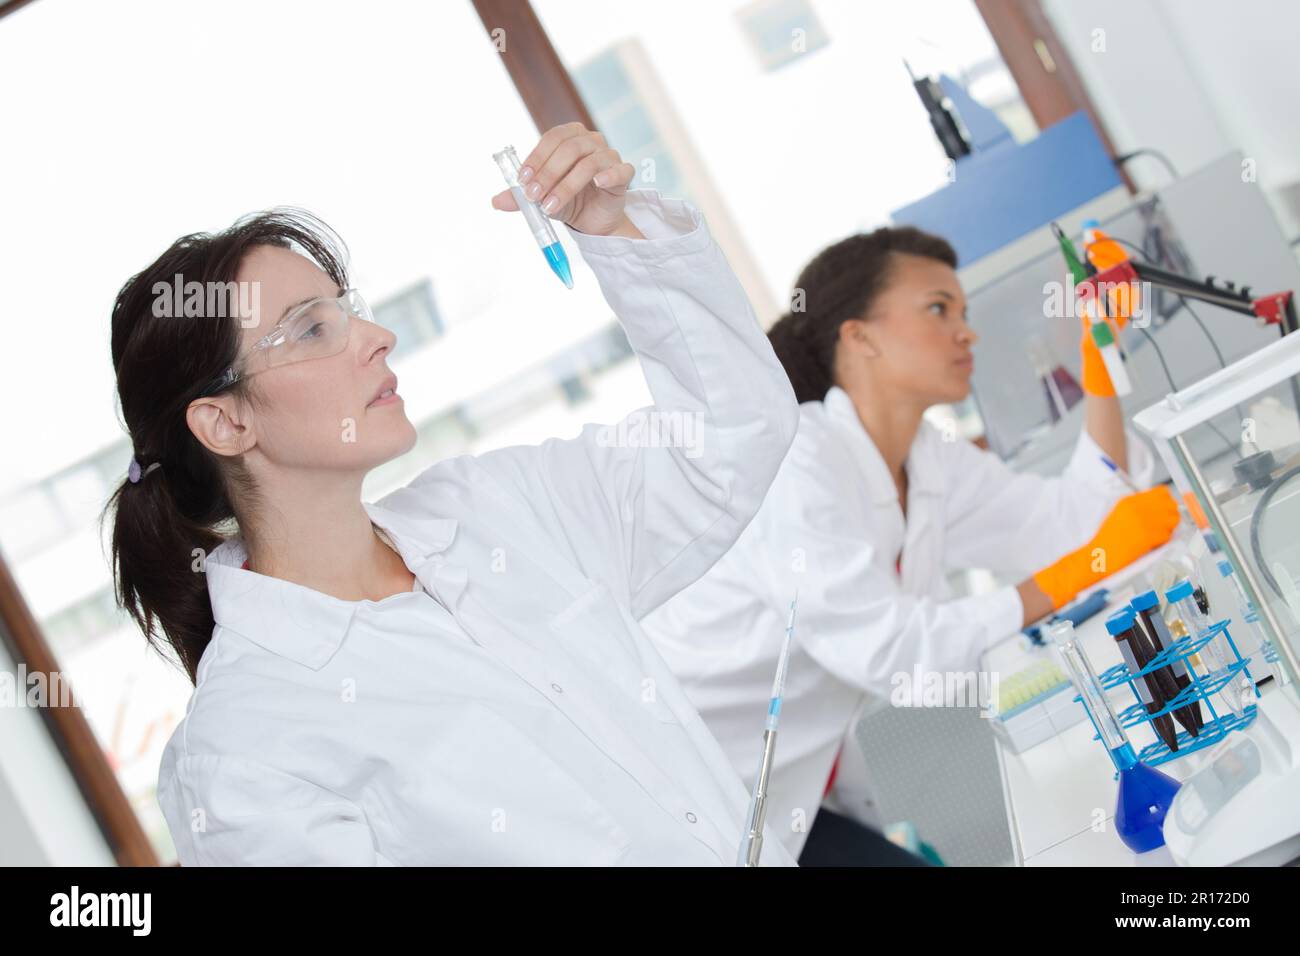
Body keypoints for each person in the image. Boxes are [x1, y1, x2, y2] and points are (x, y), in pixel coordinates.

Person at [105, 123, 801, 865]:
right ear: (226, 422)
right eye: (310, 330)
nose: (376, 336)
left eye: (346, 308)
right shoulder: (243, 750)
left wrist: (615, 231)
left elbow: (732, 434)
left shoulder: (494, 508)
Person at [641, 225, 1179, 864]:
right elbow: (895, 653)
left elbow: (1077, 529)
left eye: (964, 312)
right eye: (938, 309)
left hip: (781, 797)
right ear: (859, 337)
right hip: (676, 804)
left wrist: (1100, 357)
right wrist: (1066, 578)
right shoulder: (795, 461)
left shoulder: (928, 457)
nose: (966, 332)